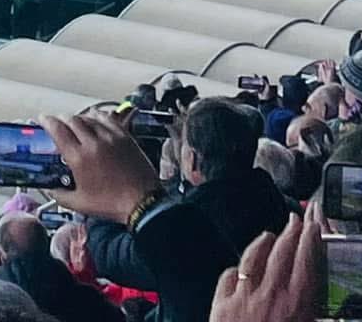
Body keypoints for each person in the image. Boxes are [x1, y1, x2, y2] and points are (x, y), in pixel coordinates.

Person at [64, 100, 286, 322]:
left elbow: (108, 253)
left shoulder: (191, 228)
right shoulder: (272, 199)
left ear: (194, 159)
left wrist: (108, 178)